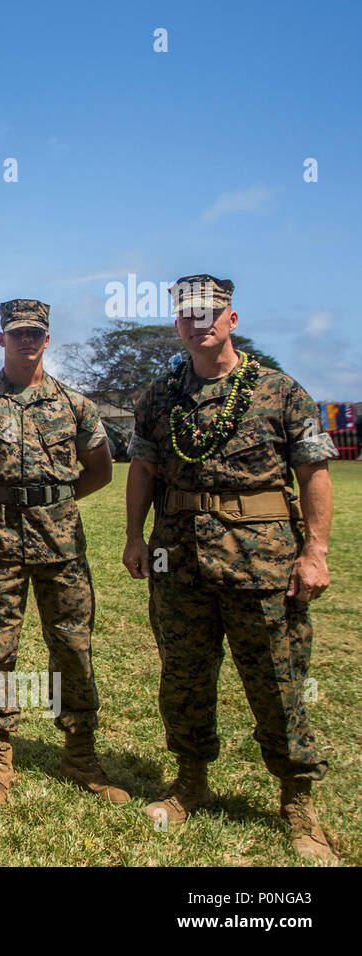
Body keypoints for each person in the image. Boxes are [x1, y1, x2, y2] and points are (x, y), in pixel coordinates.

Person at [124, 274, 337, 861]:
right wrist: (134, 537)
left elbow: (314, 471)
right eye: (187, 315)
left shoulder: (279, 390)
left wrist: (315, 552)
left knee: (278, 681)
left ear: (232, 319)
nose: (200, 323)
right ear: (177, 325)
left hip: (263, 564)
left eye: (210, 313)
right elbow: (141, 468)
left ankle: (297, 801)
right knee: (185, 677)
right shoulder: (159, 395)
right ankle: (190, 782)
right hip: (179, 560)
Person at [0, 298, 122, 805]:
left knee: (72, 646)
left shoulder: (75, 404)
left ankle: (81, 752)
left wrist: (54, 501)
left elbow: (101, 469)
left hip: (62, 543)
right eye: (18, 332)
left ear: (47, 339)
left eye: (36, 333)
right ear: (1, 337)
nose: (27, 340)